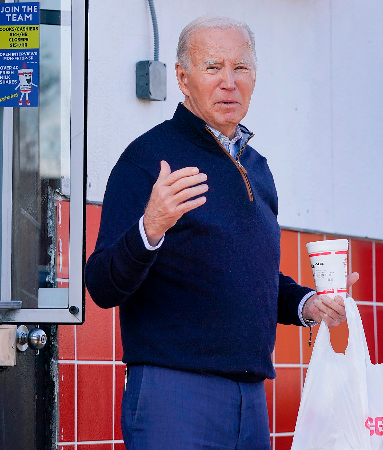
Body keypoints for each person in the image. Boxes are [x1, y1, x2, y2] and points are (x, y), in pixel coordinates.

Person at [84, 15, 357, 450]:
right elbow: (101, 285)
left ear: (254, 77)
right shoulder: (149, 159)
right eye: (212, 68)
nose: (229, 82)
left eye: (240, 68)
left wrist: (309, 304)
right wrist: (150, 226)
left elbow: (255, 281)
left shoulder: (258, 168)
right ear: (183, 79)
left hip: (250, 398)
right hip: (173, 393)